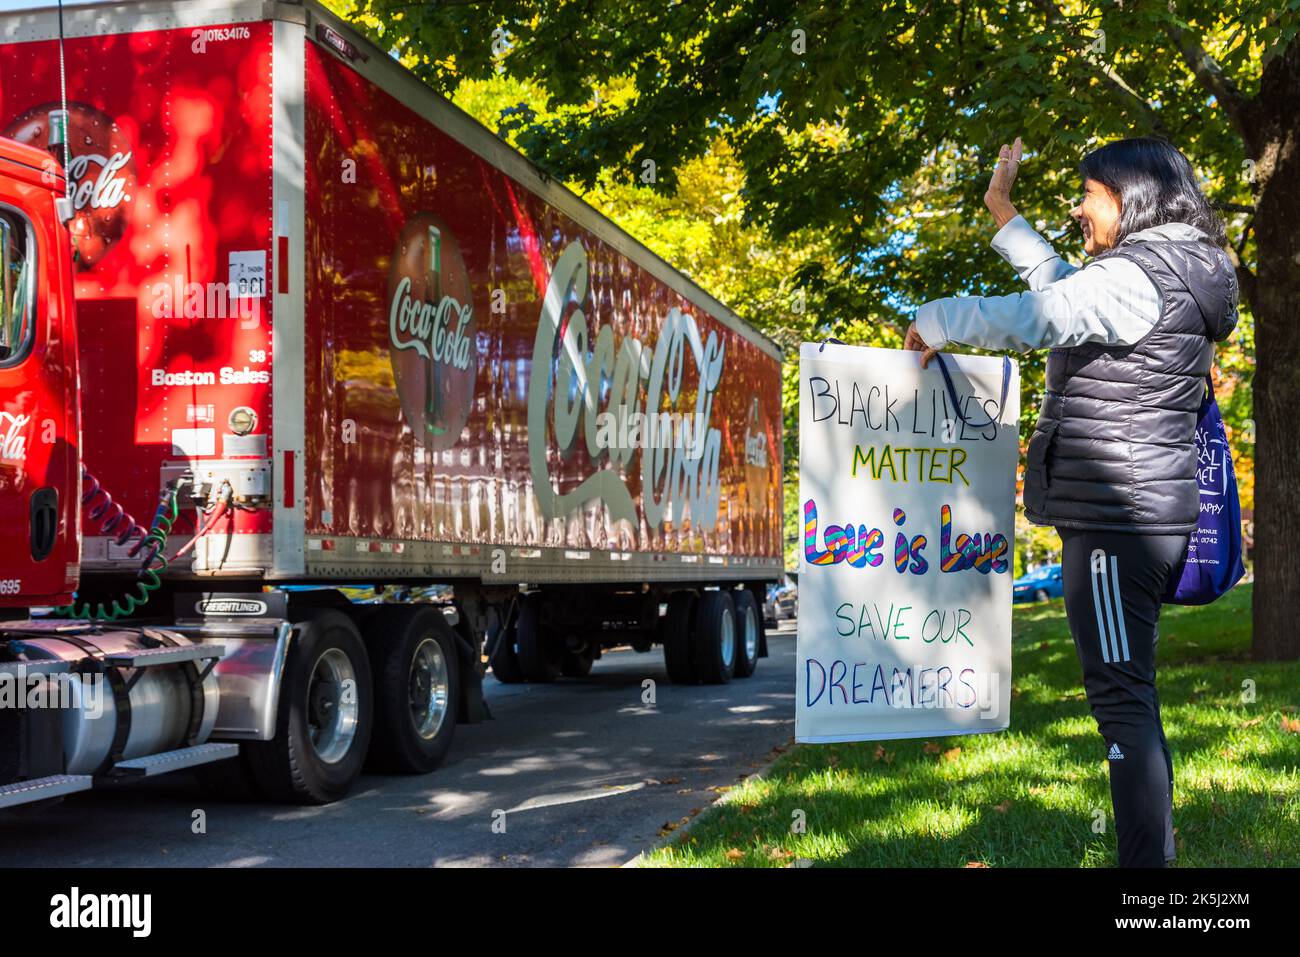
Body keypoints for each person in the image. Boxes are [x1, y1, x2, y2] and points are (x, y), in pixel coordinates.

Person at [904, 136, 1239, 867]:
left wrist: (937, 319)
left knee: (1121, 701)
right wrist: (1003, 215)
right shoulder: (1173, 271)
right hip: (1140, 512)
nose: (1078, 207)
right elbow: (1064, 290)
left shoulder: (1138, 275)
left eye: (1087, 193)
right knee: (1129, 695)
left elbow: (1042, 316)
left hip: (1117, 520)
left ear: (1129, 194)